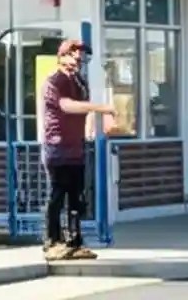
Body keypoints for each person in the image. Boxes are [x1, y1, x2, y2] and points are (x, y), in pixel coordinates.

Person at [41, 38, 115, 260]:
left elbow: (84, 108)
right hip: (57, 147)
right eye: (73, 52)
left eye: (81, 54)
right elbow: (67, 106)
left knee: (76, 197)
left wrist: (96, 125)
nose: (78, 57)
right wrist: (102, 108)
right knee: (56, 195)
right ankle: (52, 242)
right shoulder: (55, 81)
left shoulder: (79, 81)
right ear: (62, 56)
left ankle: (74, 242)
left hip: (76, 148)